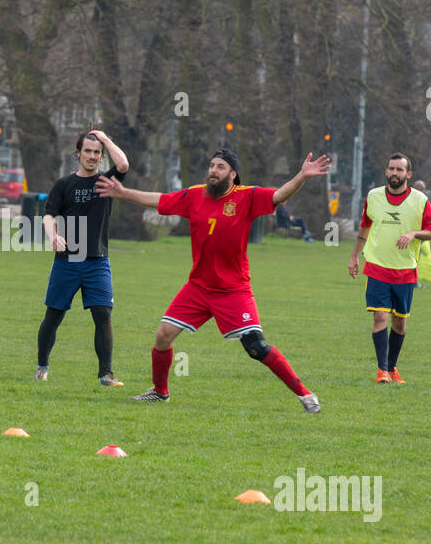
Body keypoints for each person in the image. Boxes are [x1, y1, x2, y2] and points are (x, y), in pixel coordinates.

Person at [95, 148, 329, 411]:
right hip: (197, 287)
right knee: (163, 336)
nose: (212, 171)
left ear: (233, 173)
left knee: (256, 347)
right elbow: (160, 199)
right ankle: (160, 392)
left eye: (219, 167)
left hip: (233, 290)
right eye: (211, 166)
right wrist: (123, 193)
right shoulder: (195, 195)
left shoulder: (247, 196)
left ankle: (305, 395)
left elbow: (279, 195)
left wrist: (302, 175)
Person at [37, 130, 129, 386]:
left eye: (96, 152)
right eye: (87, 151)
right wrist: (53, 236)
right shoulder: (63, 184)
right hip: (67, 261)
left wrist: (106, 138)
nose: (92, 156)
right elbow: (48, 215)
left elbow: (122, 164)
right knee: (53, 316)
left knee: (102, 314)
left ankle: (106, 374)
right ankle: (42, 366)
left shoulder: (106, 181)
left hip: (98, 261)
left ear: (101, 156)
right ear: (78, 153)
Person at [347, 153, 431, 384]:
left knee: (400, 322)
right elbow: (365, 226)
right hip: (377, 267)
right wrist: (355, 256)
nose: (395, 173)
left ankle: (392, 367)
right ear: (386, 171)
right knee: (380, 317)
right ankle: (382, 370)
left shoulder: (420, 200)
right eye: (391, 169)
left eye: (400, 170)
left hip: (406, 270)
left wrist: (413, 233)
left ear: (408, 174)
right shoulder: (374, 196)